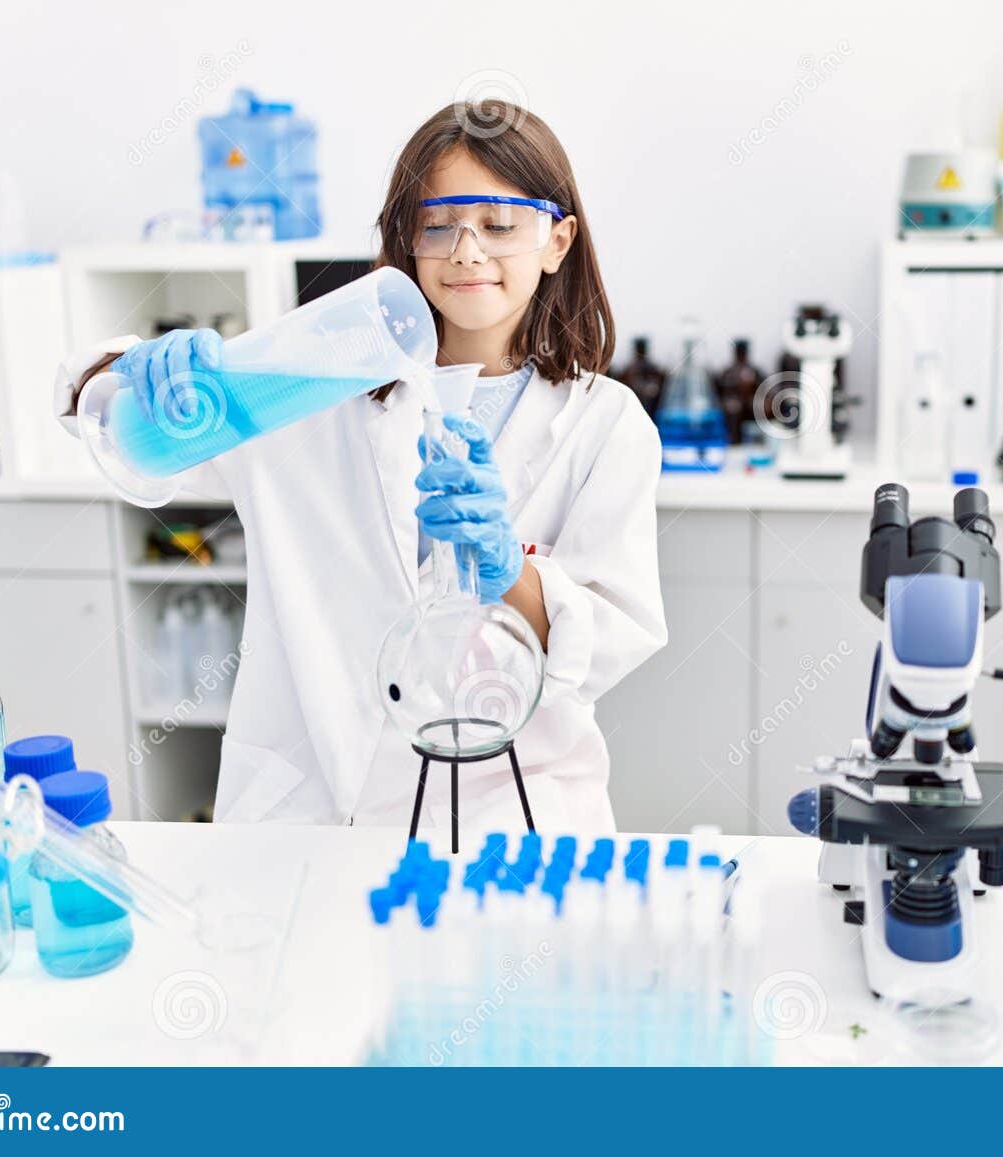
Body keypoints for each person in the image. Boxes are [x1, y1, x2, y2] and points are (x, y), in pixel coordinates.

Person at [53, 101, 665, 831]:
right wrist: (135, 377)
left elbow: (607, 639)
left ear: (557, 239)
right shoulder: (312, 390)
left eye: (500, 225)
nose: (467, 251)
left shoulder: (606, 424)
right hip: (310, 803)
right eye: (438, 224)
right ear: (406, 240)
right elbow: (132, 444)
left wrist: (509, 570)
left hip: (510, 803)